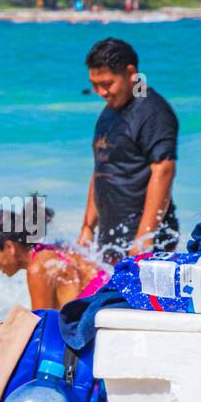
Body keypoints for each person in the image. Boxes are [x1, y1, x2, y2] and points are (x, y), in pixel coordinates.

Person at [79, 37, 179, 263]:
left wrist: (144, 237)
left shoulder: (153, 111)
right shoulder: (109, 113)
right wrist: (87, 227)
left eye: (107, 84)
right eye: (95, 85)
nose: (101, 92)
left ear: (131, 73)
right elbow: (100, 171)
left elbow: (164, 170)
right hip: (111, 238)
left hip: (145, 240)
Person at [0, 199, 109, 309]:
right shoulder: (54, 251)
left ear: (10, 247)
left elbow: (43, 327)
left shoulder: (37, 269)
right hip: (112, 304)